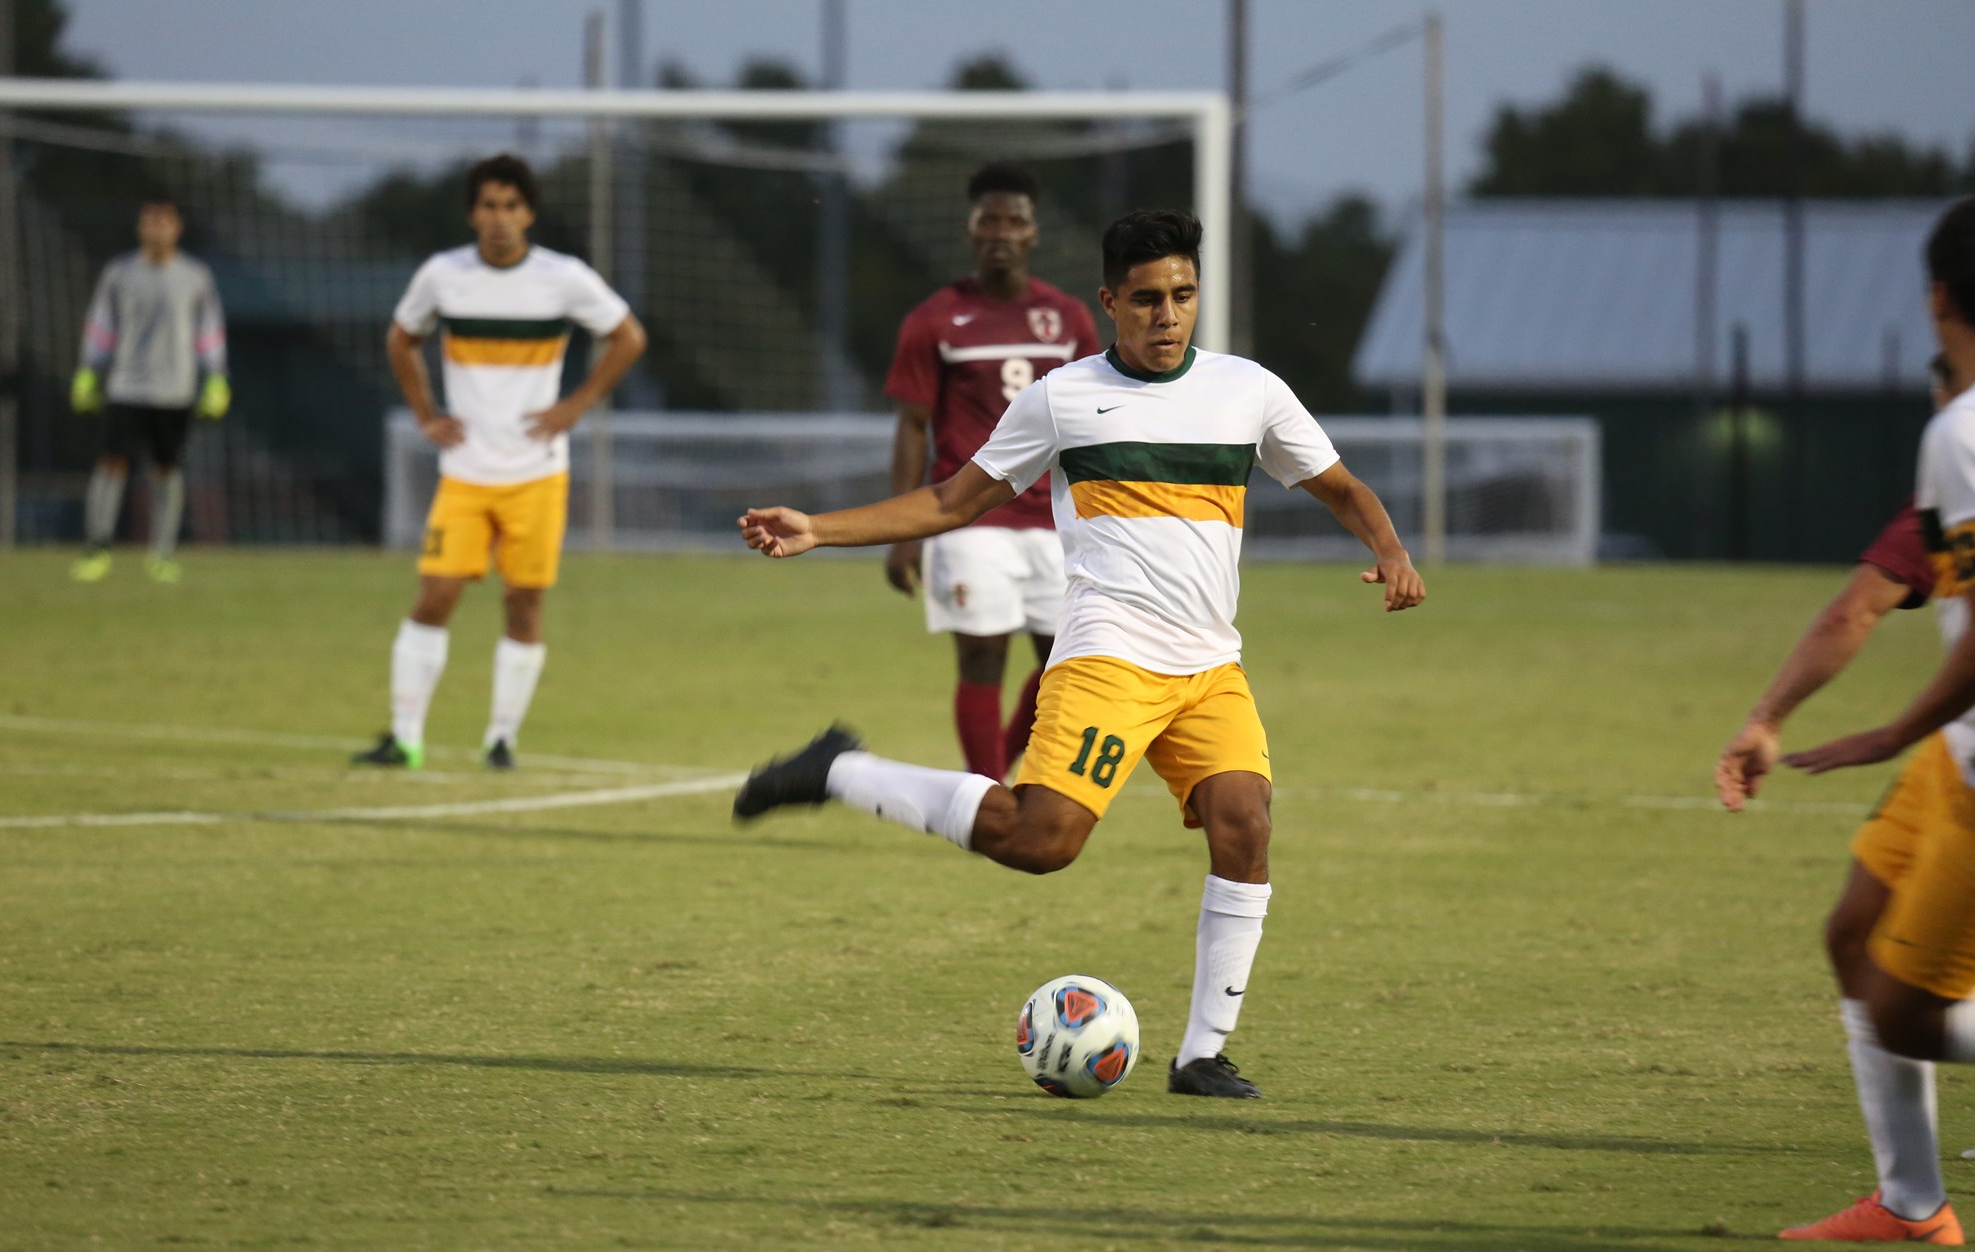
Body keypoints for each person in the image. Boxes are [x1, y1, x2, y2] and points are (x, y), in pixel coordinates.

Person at [734, 210, 1425, 1100]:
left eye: (1182, 295)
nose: (1167, 315)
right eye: (1146, 300)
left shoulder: (1248, 389)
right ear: (1110, 302)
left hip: (1210, 665)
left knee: (1245, 821)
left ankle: (1200, 1054)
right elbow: (952, 501)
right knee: (1040, 841)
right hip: (1109, 657)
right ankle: (838, 771)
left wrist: (1393, 550)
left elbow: (1340, 484)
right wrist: (819, 529)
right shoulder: (1063, 398)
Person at [1754, 198, 1975, 1245]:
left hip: (1958, 755)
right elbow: (1861, 603)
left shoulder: (1959, 436)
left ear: (1935, 301)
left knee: (1903, 1010)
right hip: (1954, 751)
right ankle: (1909, 1202)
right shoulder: (1949, 445)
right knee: (1851, 931)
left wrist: (1883, 733)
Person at [353, 154, 645, 772]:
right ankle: (406, 737)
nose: (500, 219)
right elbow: (401, 339)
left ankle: (501, 739)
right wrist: (426, 413)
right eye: (489, 206)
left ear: (529, 214)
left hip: (537, 472)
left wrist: (576, 405)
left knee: (524, 603)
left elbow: (628, 337)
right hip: (465, 471)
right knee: (435, 594)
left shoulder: (562, 278)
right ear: (472, 213)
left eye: (512, 206)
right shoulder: (443, 275)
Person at [882, 162, 1100, 781]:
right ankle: (985, 800)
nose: (1001, 232)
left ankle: (992, 778)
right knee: (981, 658)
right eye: (989, 220)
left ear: (1034, 234)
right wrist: (903, 533)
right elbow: (912, 426)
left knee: (1069, 662)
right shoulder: (935, 319)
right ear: (970, 231)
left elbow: (1092, 422)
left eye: (1015, 221)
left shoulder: (1068, 321)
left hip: (1054, 518)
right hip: (968, 515)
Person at [1713, 354, 1954, 814]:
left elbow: (1853, 613)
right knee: (1877, 880)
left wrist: (1768, 719)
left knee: (1886, 882)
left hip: (1963, 762)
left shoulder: (1958, 461)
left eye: (1939, 399)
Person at [69, 196, 230, 585]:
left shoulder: (195, 277)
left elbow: (208, 330)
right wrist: (89, 370)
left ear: (177, 227)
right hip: (127, 386)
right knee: (111, 463)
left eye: (164, 221)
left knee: (166, 469)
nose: (157, 227)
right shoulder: (119, 273)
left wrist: (217, 378)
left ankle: (162, 554)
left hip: (175, 389)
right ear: (140, 227)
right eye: (150, 220)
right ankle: (97, 548)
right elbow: (102, 325)